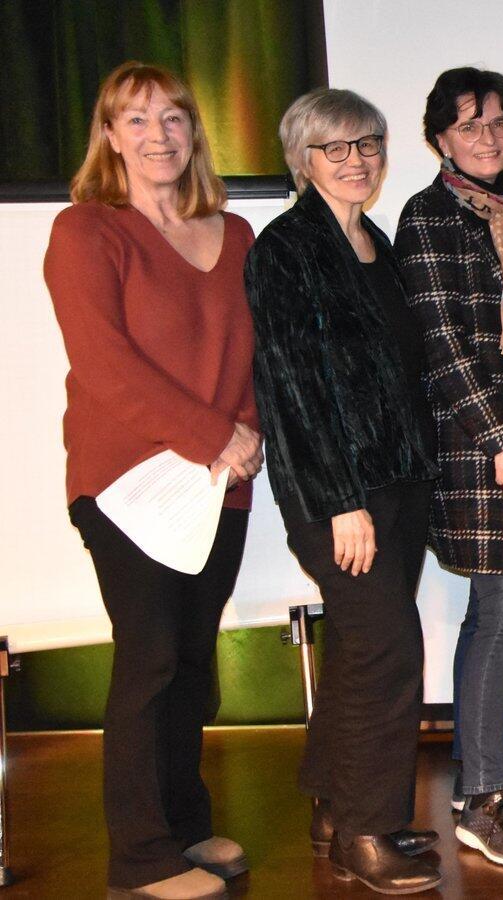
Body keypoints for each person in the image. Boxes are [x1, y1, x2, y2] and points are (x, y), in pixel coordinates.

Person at [44, 61, 260, 900]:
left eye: (172, 117)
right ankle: (138, 861)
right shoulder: (85, 232)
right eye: (135, 120)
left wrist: (247, 438)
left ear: (193, 132)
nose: (158, 135)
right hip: (127, 484)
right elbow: (105, 365)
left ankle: (185, 827)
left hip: (221, 481)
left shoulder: (235, 235)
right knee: (152, 659)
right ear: (109, 137)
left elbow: (257, 355)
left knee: (194, 663)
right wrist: (215, 435)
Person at [246, 89, 441, 895]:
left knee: (361, 652)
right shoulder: (285, 249)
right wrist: (339, 501)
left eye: (368, 143)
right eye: (337, 147)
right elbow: (293, 387)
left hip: (401, 483)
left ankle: (335, 808)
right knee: (387, 651)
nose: (357, 159)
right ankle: (367, 832)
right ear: (304, 159)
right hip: (342, 495)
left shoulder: (375, 241)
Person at [393, 66, 503, 870]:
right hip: (480, 447)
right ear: (441, 139)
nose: (489, 139)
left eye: (501, 123)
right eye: (470, 126)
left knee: (499, 612)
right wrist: (502, 440)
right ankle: (481, 799)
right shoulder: (427, 215)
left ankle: (483, 765)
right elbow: (443, 343)